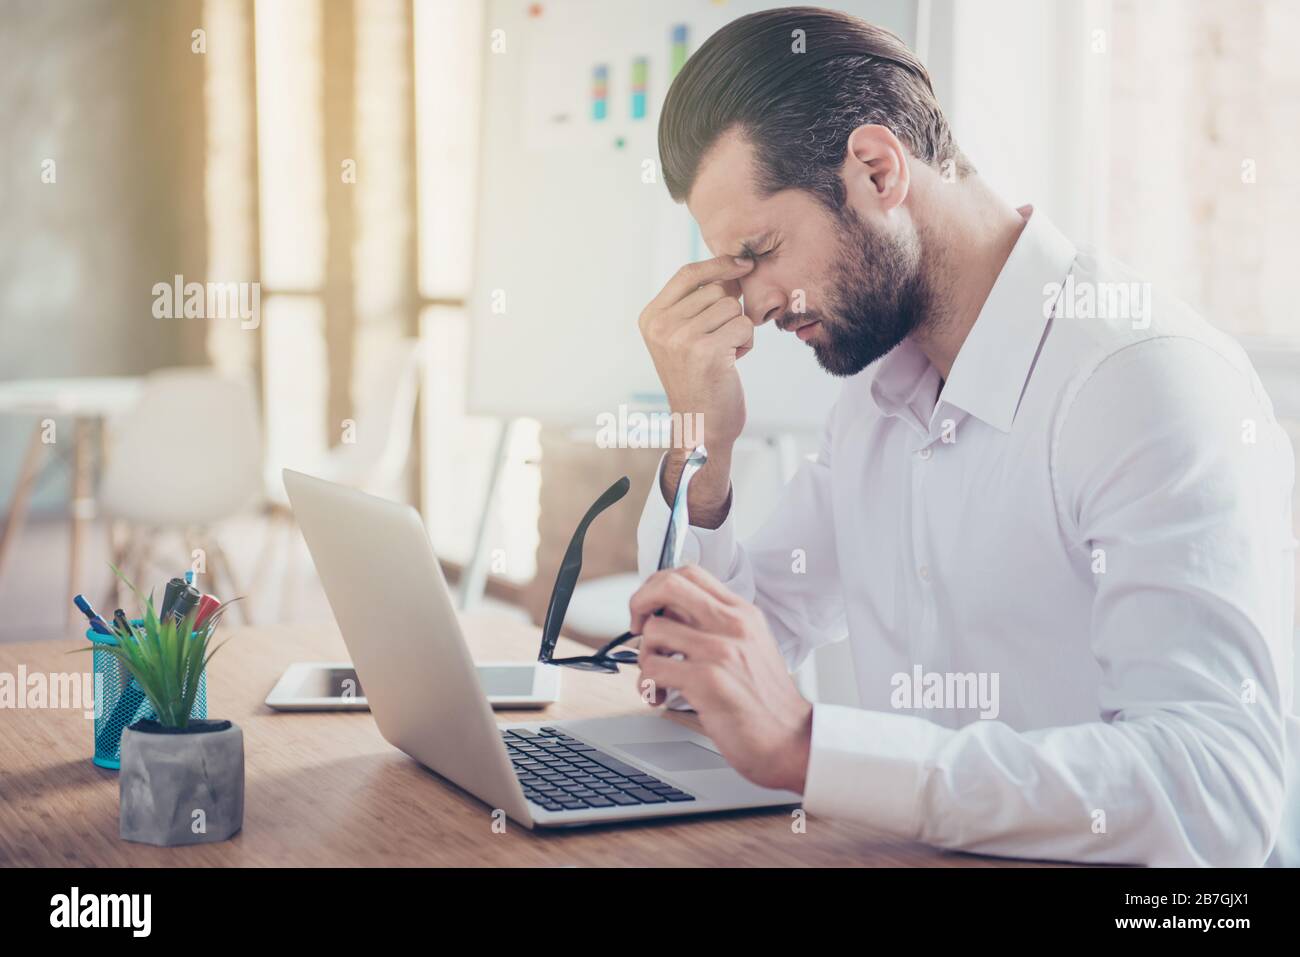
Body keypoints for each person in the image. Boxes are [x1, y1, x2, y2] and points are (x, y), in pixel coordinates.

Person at [628, 6, 1297, 867]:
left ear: (876, 169)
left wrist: (813, 747)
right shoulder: (878, 402)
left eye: (758, 250)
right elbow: (696, 682)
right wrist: (701, 448)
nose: (750, 303)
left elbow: (1217, 791)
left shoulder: (1141, 382)